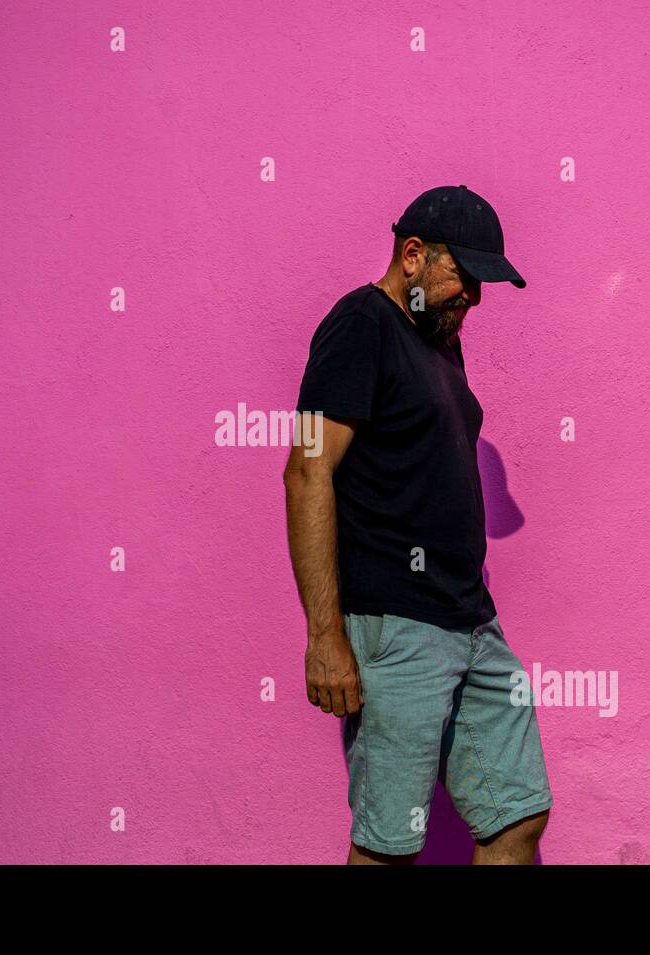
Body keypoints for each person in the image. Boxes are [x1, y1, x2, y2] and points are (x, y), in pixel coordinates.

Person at [282, 185, 553, 865]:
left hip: (470, 622)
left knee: (517, 813)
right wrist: (324, 636)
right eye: (464, 275)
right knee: (390, 843)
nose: (476, 297)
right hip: (395, 627)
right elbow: (307, 472)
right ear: (412, 255)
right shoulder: (360, 326)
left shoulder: (439, 344)